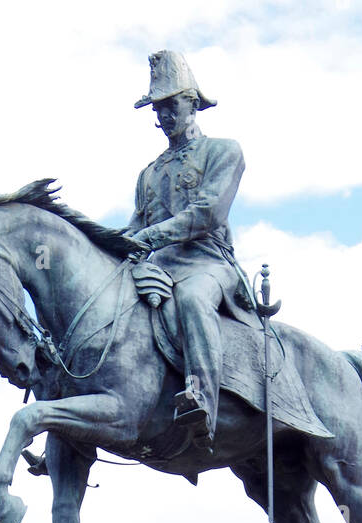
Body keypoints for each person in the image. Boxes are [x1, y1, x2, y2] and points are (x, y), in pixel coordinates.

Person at [125, 50, 253, 451]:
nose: (163, 116)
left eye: (170, 105)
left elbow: (207, 214)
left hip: (208, 263)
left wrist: (150, 238)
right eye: (157, 108)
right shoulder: (148, 173)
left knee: (194, 300)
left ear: (193, 103)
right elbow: (135, 228)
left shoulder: (223, 151)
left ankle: (203, 400)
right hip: (160, 268)